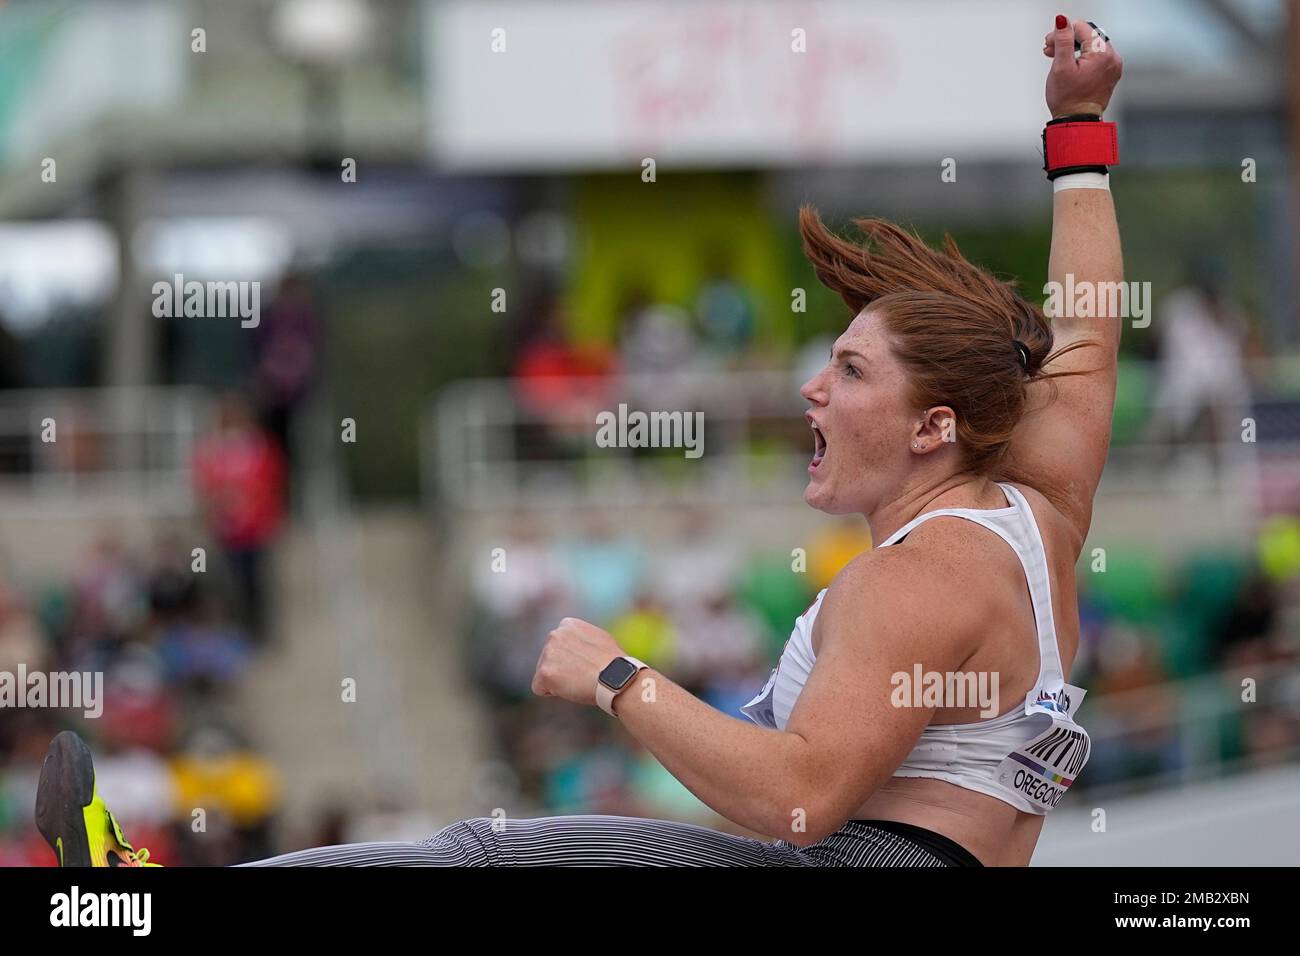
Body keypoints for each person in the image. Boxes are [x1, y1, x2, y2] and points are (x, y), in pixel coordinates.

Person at [34, 14, 1123, 867]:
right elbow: (1085, 330)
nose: (811, 386)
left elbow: (797, 798)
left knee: (484, 855)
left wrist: (616, 675)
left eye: (848, 370)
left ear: (935, 426)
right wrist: (1080, 139)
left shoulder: (916, 578)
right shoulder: (1038, 511)